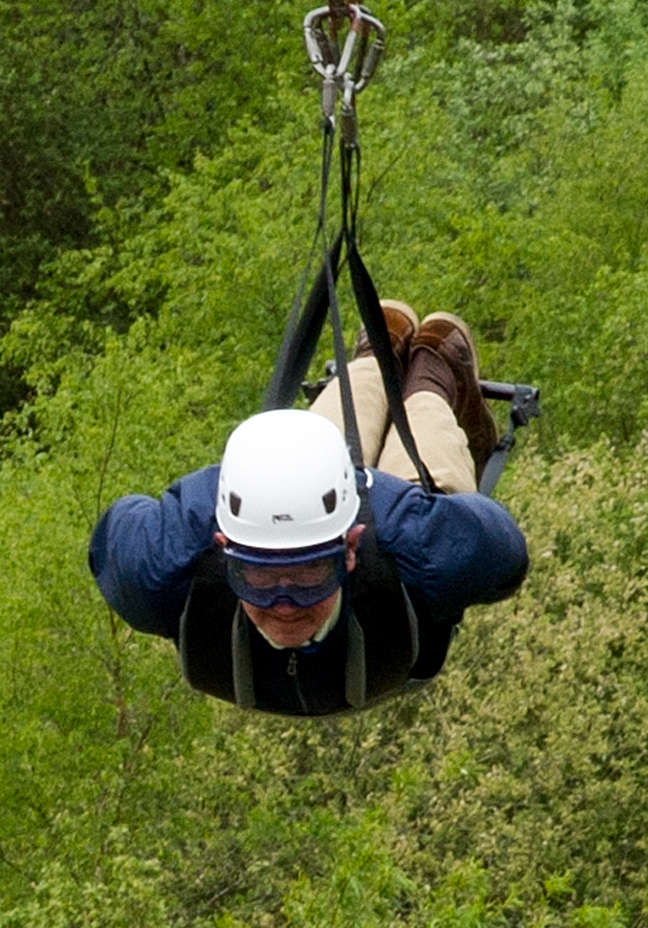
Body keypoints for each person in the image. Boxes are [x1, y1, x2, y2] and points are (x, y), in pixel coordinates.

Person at [88, 305, 529, 716]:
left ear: (351, 548)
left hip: (391, 531)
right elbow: (114, 535)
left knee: (429, 480)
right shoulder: (160, 562)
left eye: (308, 574)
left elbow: (502, 550)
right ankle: (377, 358)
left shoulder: (422, 544)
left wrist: (393, 502)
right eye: (258, 576)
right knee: (303, 455)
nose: (284, 605)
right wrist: (205, 502)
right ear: (223, 550)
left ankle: (434, 369)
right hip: (295, 512)